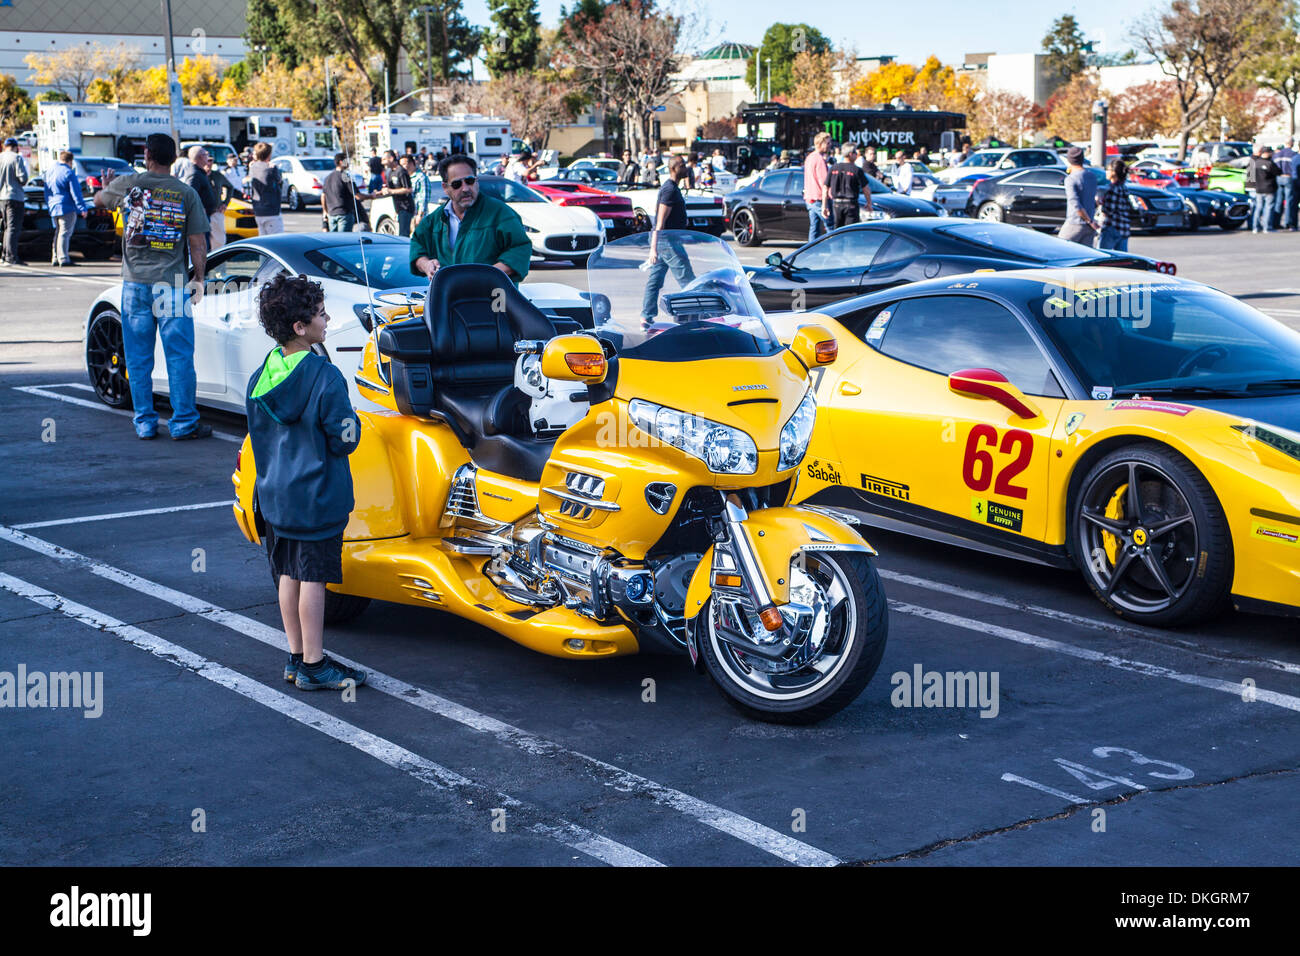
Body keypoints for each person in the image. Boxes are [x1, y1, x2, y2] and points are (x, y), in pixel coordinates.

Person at [246, 272, 365, 692]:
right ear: (301, 327)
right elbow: (343, 437)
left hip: (274, 497)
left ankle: (296, 656)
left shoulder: (263, 375)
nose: (327, 318)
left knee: (287, 575)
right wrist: (356, 424)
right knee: (313, 577)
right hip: (315, 498)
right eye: (319, 313)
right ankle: (315, 663)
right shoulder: (324, 376)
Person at [93, 132, 211, 440]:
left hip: (135, 284)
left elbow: (97, 201)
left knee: (138, 357)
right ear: (174, 159)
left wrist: (108, 186)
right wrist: (198, 279)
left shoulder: (128, 184)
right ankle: (184, 422)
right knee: (180, 356)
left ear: (147, 155)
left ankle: (145, 422)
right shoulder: (186, 193)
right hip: (172, 282)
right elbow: (198, 243)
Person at [409, 154, 531, 283]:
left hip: (492, 299)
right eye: (457, 184)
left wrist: (486, 276)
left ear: (476, 181)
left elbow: (520, 248)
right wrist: (426, 265)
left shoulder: (501, 213)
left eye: (470, 181)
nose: (465, 188)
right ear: (445, 188)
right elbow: (417, 247)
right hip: (449, 299)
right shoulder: (434, 220)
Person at [641, 155, 695, 324]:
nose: (686, 168)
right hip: (667, 242)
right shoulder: (669, 189)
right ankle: (699, 314)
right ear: (674, 169)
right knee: (688, 279)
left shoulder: (673, 188)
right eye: (682, 165)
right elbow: (660, 222)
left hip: (669, 240)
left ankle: (646, 316)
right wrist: (653, 248)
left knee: (655, 280)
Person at [43, 150, 88, 267]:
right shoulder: (68, 172)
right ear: (70, 161)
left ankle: (55, 257)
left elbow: (46, 190)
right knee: (65, 233)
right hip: (66, 206)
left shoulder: (49, 171)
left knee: (58, 232)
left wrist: (49, 204)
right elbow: (75, 192)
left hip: (53, 205)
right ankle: (63, 258)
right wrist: (82, 208)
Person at [823, 144, 873, 229]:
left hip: (836, 204)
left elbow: (825, 188)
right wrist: (869, 203)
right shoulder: (856, 170)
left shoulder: (834, 168)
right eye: (855, 153)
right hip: (851, 205)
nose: (856, 155)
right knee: (850, 230)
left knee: (837, 232)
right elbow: (866, 189)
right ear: (850, 154)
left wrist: (824, 206)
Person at [177, 146, 218, 248]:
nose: (207, 158)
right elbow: (189, 195)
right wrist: (199, 209)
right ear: (200, 157)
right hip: (200, 218)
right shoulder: (194, 174)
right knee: (202, 247)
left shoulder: (199, 172)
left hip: (203, 217)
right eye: (206, 155)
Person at [1058, 146, 1098, 246]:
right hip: (1089, 226)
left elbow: (1075, 203)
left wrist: (1088, 220)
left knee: (1059, 249)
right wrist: (1090, 221)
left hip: (1074, 223)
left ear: (1069, 160)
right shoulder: (1092, 176)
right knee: (1086, 256)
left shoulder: (1070, 179)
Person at [321, 152, 371, 232]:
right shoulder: (345, 176)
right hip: (344, 214)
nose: (349, 163)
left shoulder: (328, 178)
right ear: (341, 162)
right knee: (344, 239)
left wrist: (326, 211)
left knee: (333, 240)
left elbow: (323, 196)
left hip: (331, 214)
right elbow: (357, 196)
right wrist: (371, 196)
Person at [0, 136, 30, 266]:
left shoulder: (0, 157)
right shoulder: (17, 158)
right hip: (14, 196)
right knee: (13, 227)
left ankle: (5, 255)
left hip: (2, 197)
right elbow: (23, 178)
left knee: (6, 227)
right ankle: (11, 256)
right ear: (16, 147)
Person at [205, 150, 242, 250]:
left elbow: (230, 187)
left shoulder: (217, 175)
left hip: (216, 213)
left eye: (211, 160)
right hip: (202, 214)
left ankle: (218, 265)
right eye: (207, 160)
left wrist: (225, 203)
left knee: (219, 243)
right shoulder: (198, 175)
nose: (209, 163)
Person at [246, 142, 284, 235]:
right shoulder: (271, 168)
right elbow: (279, 180)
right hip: (272, 210)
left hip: (258, 209)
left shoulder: (252, 167)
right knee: (276, 240)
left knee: (262, 237)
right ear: (269, 154)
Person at [802, 130, 833, 242]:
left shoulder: (809, 158)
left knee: (814, 228)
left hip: (809, 198)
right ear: (820, 144)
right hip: (820, 199)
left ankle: (811, 250)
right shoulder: (820, 160)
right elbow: (824, 183)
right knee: (831, 227)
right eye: (828, 143)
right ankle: (836, 251)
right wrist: (827, 202)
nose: (830, 146)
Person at [1096, 159, 1132, 252]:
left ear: (1114, 172)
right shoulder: (1124, 187)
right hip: (1124, 227)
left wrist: (1099, 203)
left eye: (1108, 170)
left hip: (1112, 226)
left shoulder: (1112, 188)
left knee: (1102, 256)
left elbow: (1108, 210)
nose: (1106, 172)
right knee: (1122, 258)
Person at [1246, 145, 1280, 234]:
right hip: (1268, 188)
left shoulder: (1256, 162)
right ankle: (1267, 227)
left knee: (1258, 207)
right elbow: (1277, 172)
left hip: (1258, 188)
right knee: (1268, 208)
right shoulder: (1269, 163)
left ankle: (1255, 227)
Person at [382, 149, 414, 237]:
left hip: (406, 207)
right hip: (398, 208)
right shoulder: (389, 172)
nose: (382, 161)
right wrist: (381, 191)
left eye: (384, 159)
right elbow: (389, 189)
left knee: (403, 235)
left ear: (391, 158)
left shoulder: (401, 171)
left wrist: (391, 191)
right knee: (400, 233)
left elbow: (408, 189)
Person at [1272, 137, 1296, 231]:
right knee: (1289, 201)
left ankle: (1276, 222)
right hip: (1288, 177)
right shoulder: (1293, 154)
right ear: (1292, 143)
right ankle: (1288, 223)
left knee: (1279, 200)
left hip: (1279, 177)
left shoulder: (1277, 155)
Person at [403, 153, 432, 227]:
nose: (402, 167)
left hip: (417, 216)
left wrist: (420, 215)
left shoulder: (421, 177)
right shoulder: (405, 177)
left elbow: (424, 198)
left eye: (404, 164)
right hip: (408, 215)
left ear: (411, 164)